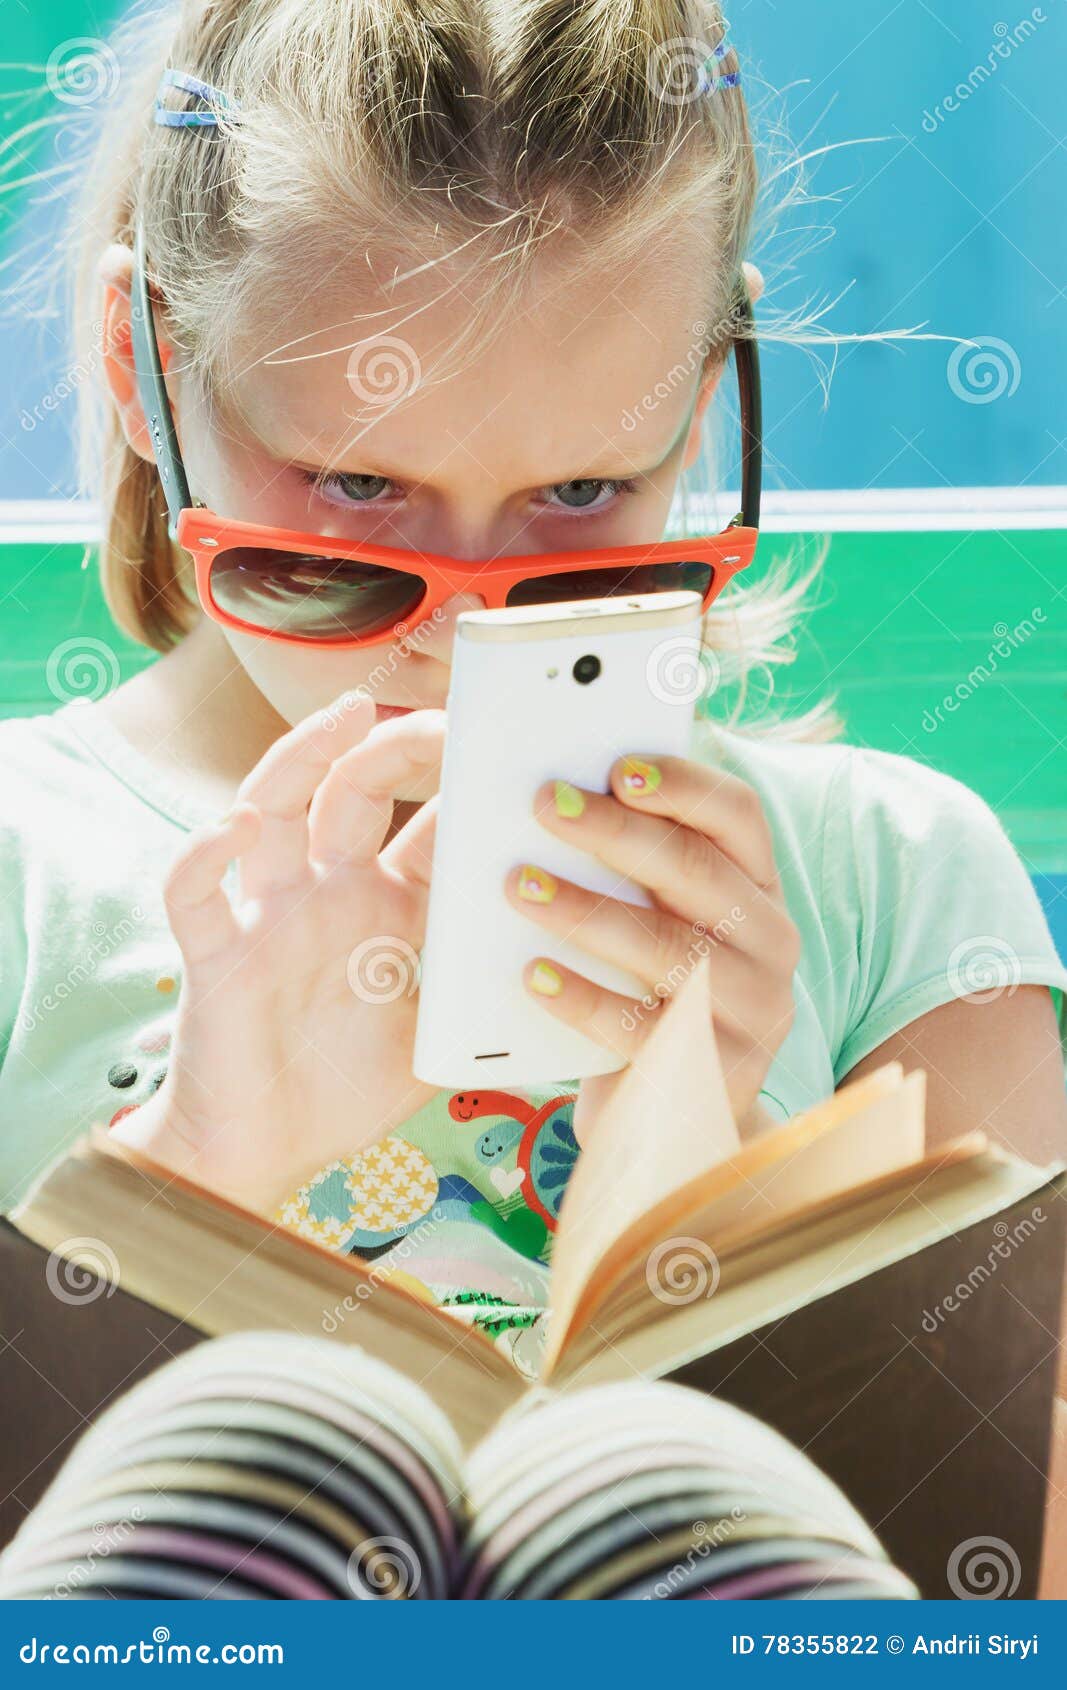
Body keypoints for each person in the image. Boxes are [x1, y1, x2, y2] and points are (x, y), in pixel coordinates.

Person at [2, 0, 1066, 1587]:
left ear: (704, 401)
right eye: (358, 491)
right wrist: (191, 1164)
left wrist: (729, 1163)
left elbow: (1014, 1589)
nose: (467, 631)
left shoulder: (893, 876)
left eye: (582, 494)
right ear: (143, 363)